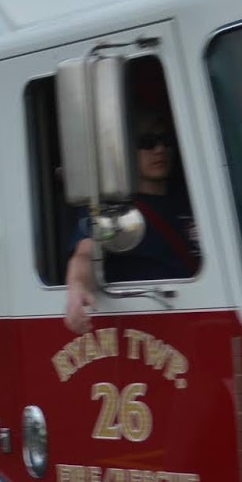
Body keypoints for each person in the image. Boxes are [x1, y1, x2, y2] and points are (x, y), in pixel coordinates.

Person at [63, 120, 198, 334]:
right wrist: (77, 287)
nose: (159, 149)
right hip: (146, 325)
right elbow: (85, 254)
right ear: (124, 149)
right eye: (147, 142)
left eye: (166, 141)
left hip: (197, 318)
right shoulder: (109, 210)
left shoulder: (195, 199)